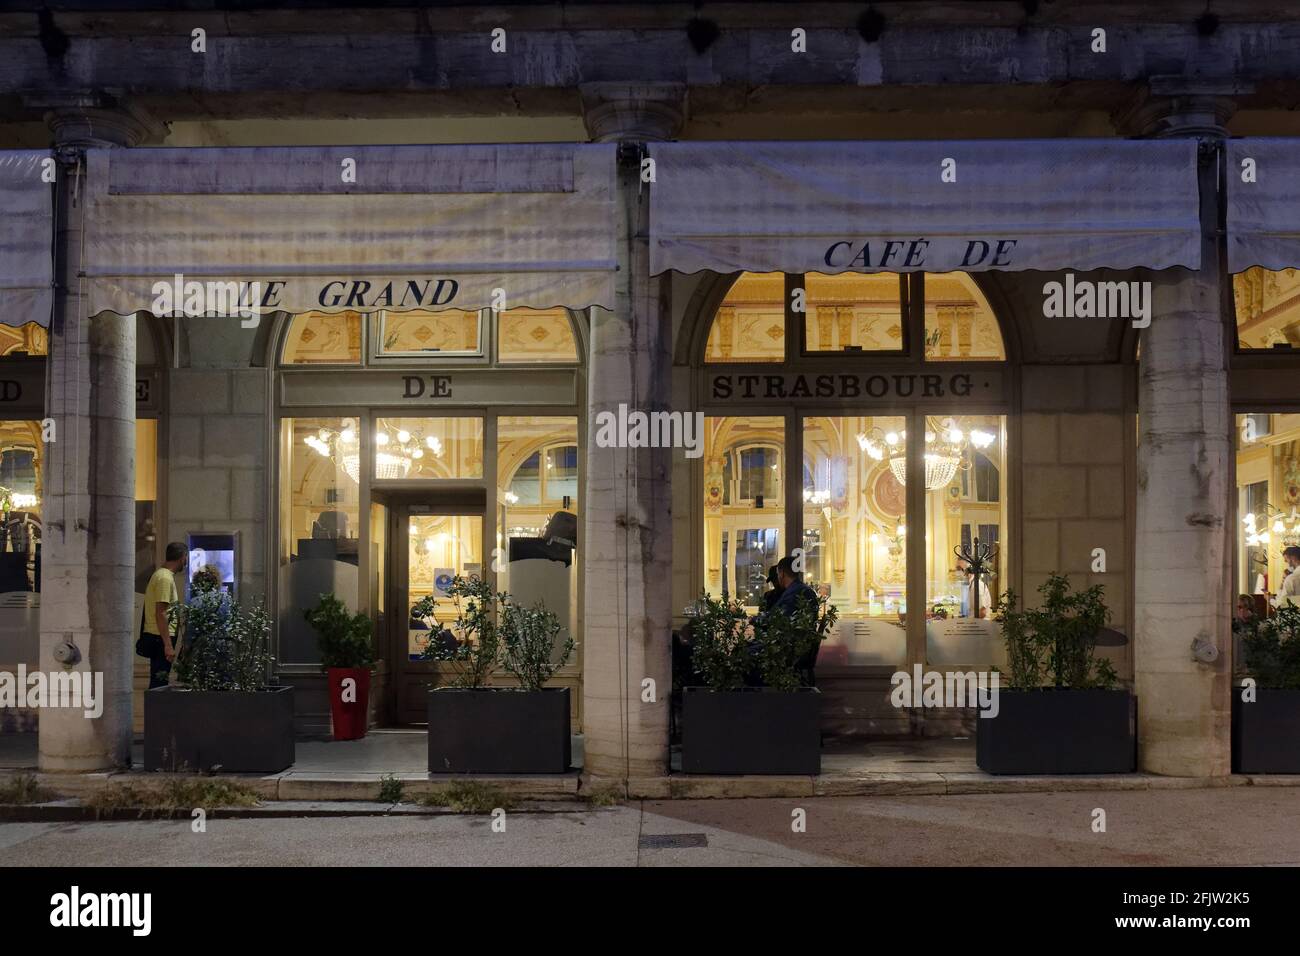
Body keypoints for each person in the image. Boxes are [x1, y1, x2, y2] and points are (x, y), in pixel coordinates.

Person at [142, 542, 187, 689]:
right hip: (160, 637)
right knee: (159, 682)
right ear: (182, 558)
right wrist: (167, 645)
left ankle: (156, 711)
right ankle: (156, 712)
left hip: (158, 636)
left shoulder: (161, 575)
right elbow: (161, 612)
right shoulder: (165, 578)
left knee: (159, 680)